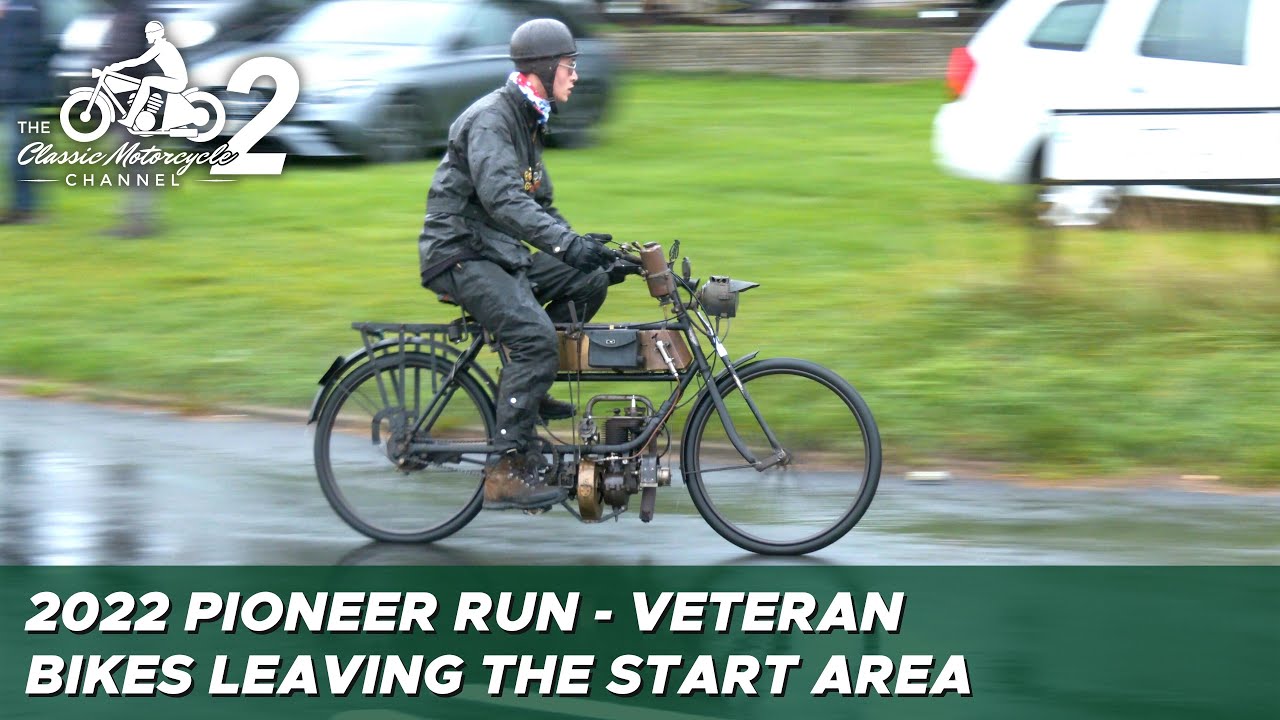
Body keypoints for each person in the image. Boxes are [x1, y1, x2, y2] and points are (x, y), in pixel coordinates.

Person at [418, 18, 637, 510]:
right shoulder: (494, 120)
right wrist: (565, 245)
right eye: (569, 65)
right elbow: (503, 201)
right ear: (542, 68)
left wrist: (592, 252)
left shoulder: (528, 119)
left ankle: (528, 389)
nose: (576, 75)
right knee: (536, 338)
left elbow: (541, 206)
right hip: (459, 253)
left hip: (497, 253)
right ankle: (505, 473)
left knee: (591, 279)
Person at [0, 0, 52, 225]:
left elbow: (22, 50)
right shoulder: (25, 8)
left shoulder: (24, 8)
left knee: (18, 151)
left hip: (17, 90)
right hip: (15, 89)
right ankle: (23, 207)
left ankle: (23, 208)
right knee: (19, 150)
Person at [105, 19, 186, 132]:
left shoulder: (161, 46)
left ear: (157, 33)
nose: (147, 36)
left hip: (176, 81)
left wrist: (118, 65)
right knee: (146, 81)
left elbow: (140, 60)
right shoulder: (162, 46)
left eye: (149, 33)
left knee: (147, 81)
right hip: (174, 80)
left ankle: (130, 119)